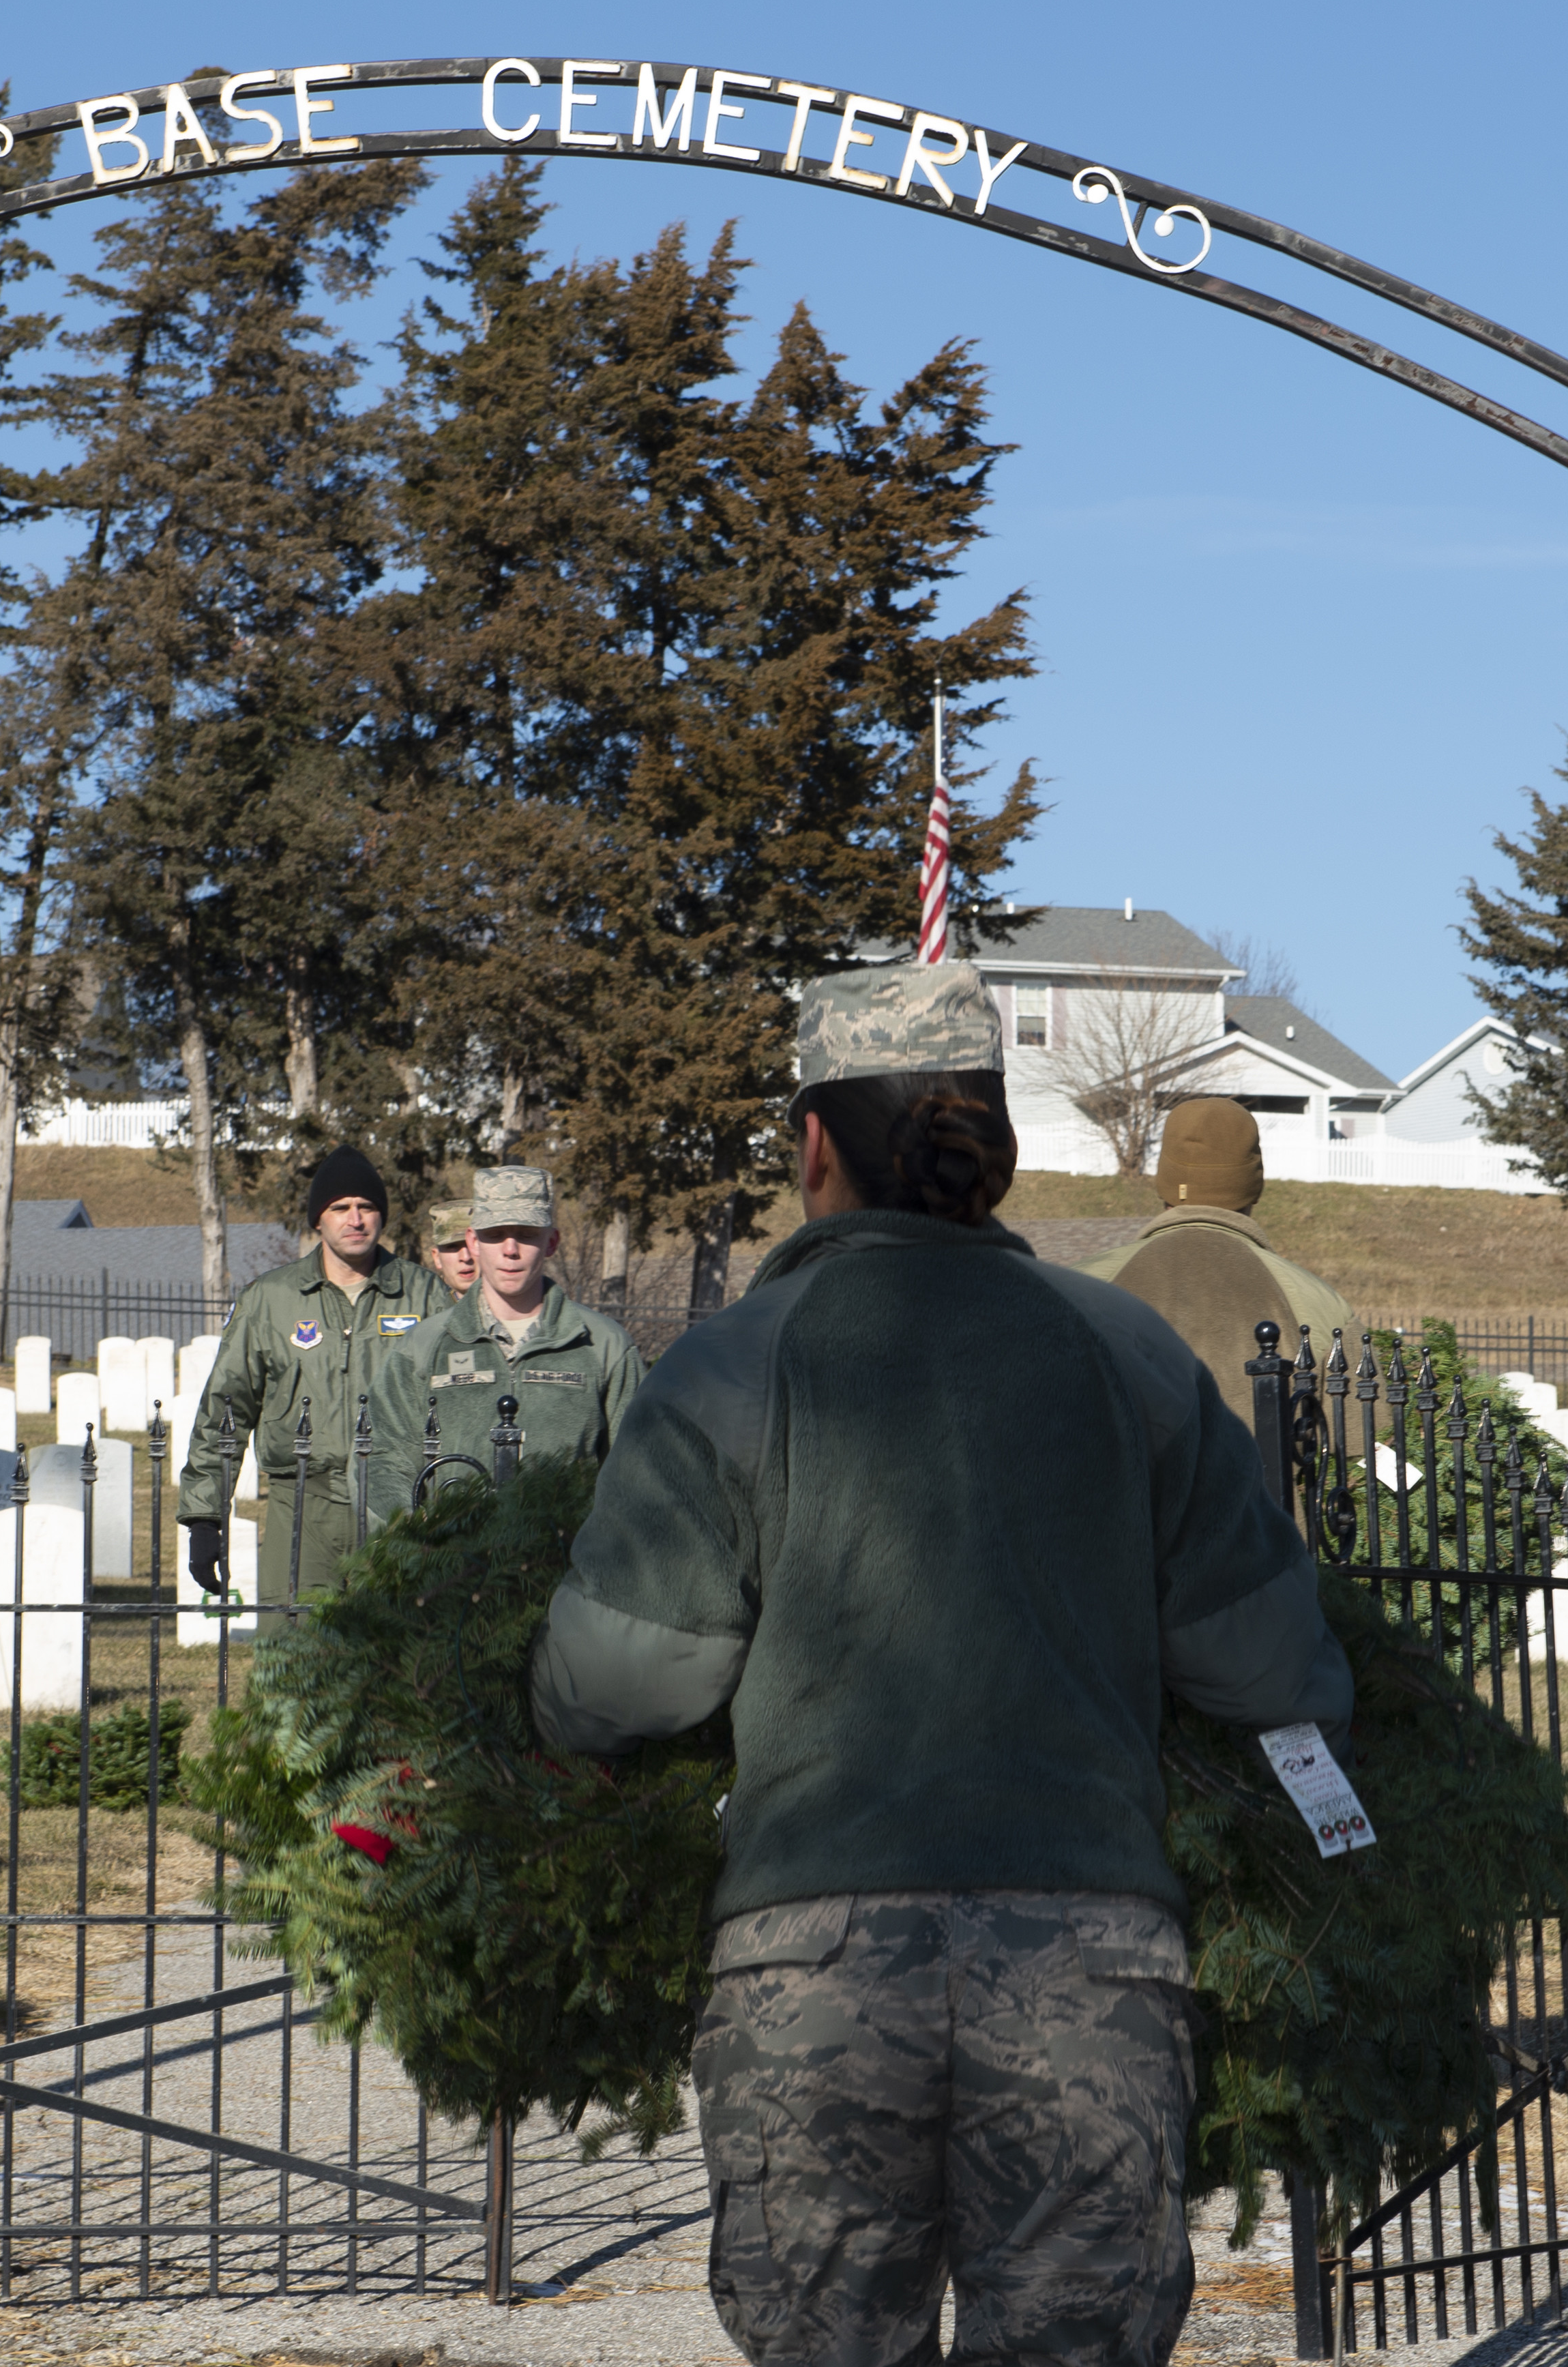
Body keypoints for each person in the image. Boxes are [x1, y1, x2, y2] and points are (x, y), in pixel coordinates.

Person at [528, 961, 1352, 2367]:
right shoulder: (1129, 1353)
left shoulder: (732, 1364)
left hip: (817, 1969)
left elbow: (619, 1680)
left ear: (813, 1145)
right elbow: (1273, 1666)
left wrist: (559, 1708)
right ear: (997, 1144)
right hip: (1089, 1963)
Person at [178, 1145, 441, 1599]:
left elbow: (455, 1403)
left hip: (398, 1507)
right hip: (300, 1505)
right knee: (291, 1640)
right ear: (318, 1219)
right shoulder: (270, 1299)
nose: (355, 1219)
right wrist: (205, 1516)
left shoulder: (424, 1296)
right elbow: (227, 1406)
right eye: (340, 1207)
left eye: (366, 1207)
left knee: (397, 1640)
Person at [366, 1164, 645, 1514]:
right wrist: (419, 1538)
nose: (510, 1249)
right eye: (495, 1235)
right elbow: (383, 1461)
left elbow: (638, 1471)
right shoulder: (423, 1347)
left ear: (551, 1242)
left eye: (527, 1234)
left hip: (568, 1548)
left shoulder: (603, 1346)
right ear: (473, 1242)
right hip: (456, 1548)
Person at [1078, 1094, 1357, 1418]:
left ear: (1164, 1183)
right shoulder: (1321, 1305)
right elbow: (1367, 1439)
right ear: (1254, 1188)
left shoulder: (1078, 1287)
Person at [423, 1199, 479, 1300]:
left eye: (472, 1244)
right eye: (452, 1247)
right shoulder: (424, 1306)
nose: (466, 1257)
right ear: (437, 1258)